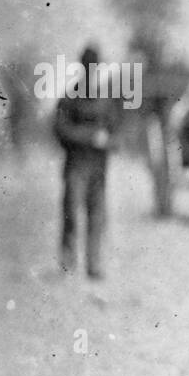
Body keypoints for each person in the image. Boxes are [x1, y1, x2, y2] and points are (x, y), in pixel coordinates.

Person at [54, 45, 123, 279]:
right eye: (87, 66)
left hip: (98, 169)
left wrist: (109, 141)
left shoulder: (106, 101)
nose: (91, 71)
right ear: (82, 67)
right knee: (71, 215)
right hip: (76, 166)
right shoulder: (70, 97)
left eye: (95, 67)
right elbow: (60, 130)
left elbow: (116, 136)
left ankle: (93, 265)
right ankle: (67, 263)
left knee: (97, 218)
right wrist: (91, 137)